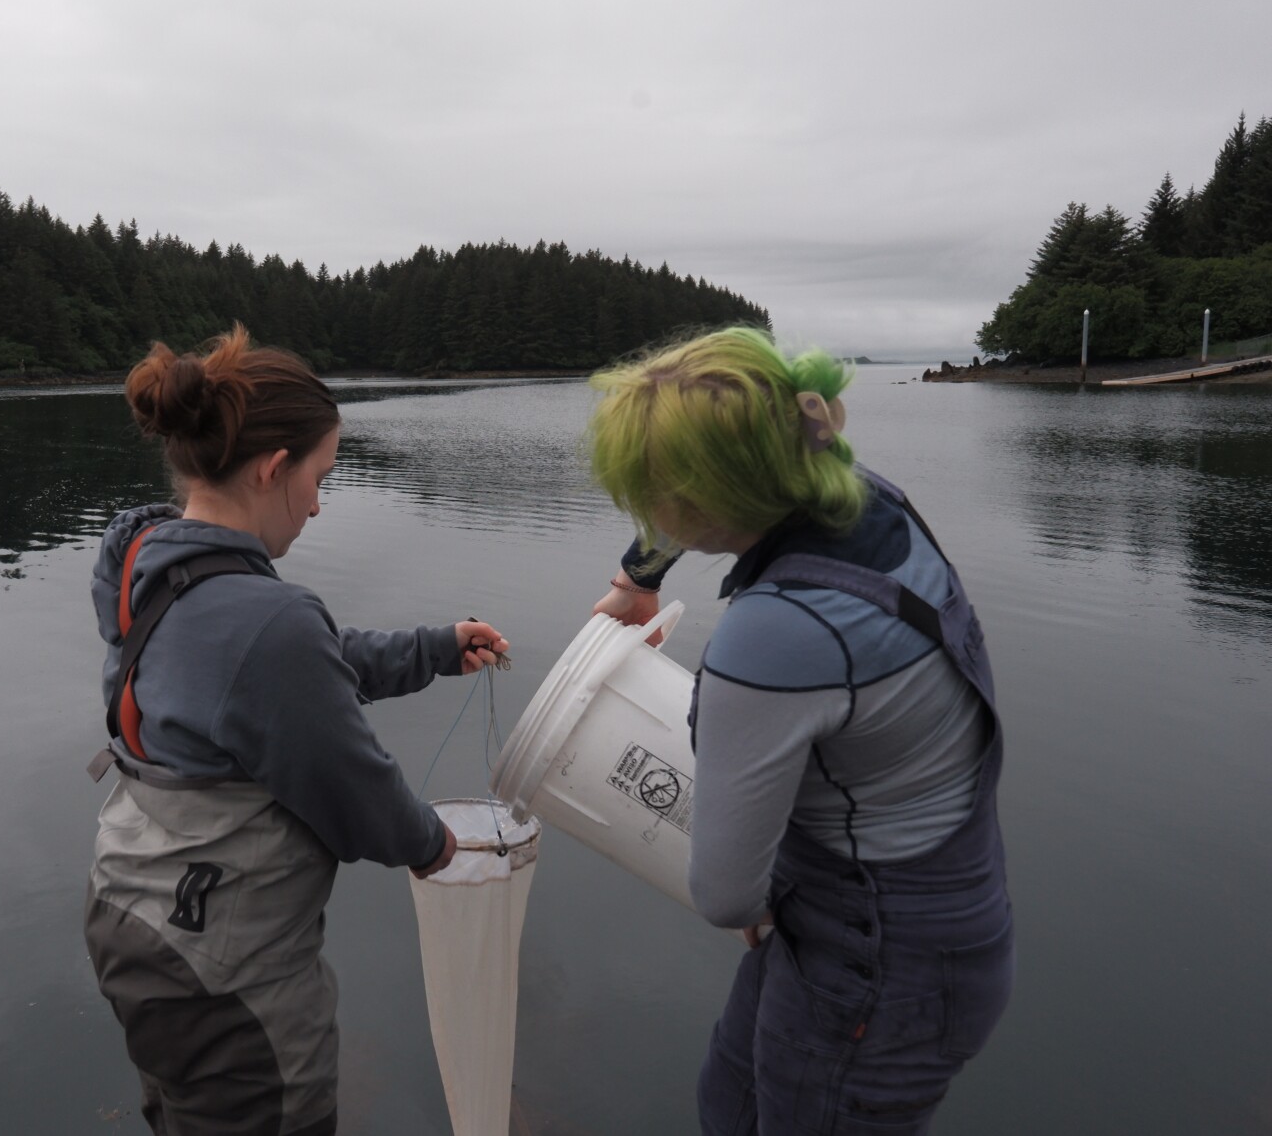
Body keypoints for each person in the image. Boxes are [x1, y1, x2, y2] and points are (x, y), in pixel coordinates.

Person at [83, 324, 510, 1136]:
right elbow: (351, 784)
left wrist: (432, 649)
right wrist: (432, 845)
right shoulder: (265, 620)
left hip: (129, 916)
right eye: (320, 478)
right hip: (222, 971)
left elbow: (281, 673)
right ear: (273, 469)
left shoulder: (147, 563)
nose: (317, 504)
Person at [585, 328, 1013, 1134]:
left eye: (650, 493)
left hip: (882, 972)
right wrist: (638, 578)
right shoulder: (859, 493)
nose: (642, 508)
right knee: (731, 1103)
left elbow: (725, 893)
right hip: (925, 916)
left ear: (707, 496)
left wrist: (753, 892)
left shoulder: (773, 635)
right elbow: (709, 493)